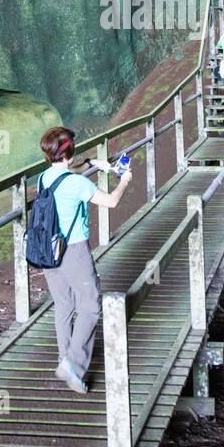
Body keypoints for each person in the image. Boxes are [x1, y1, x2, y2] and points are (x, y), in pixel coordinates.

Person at [37, 125, 132, 394]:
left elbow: (68, 173)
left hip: (47, 248)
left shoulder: (44, 178)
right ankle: (74, 364)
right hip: (73, 250)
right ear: (69, 151)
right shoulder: (77, 184)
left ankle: (65, 360)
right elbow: (112, 202)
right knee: (90, 306)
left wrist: (92, 164)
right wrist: (123, 179)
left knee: (64, 304)